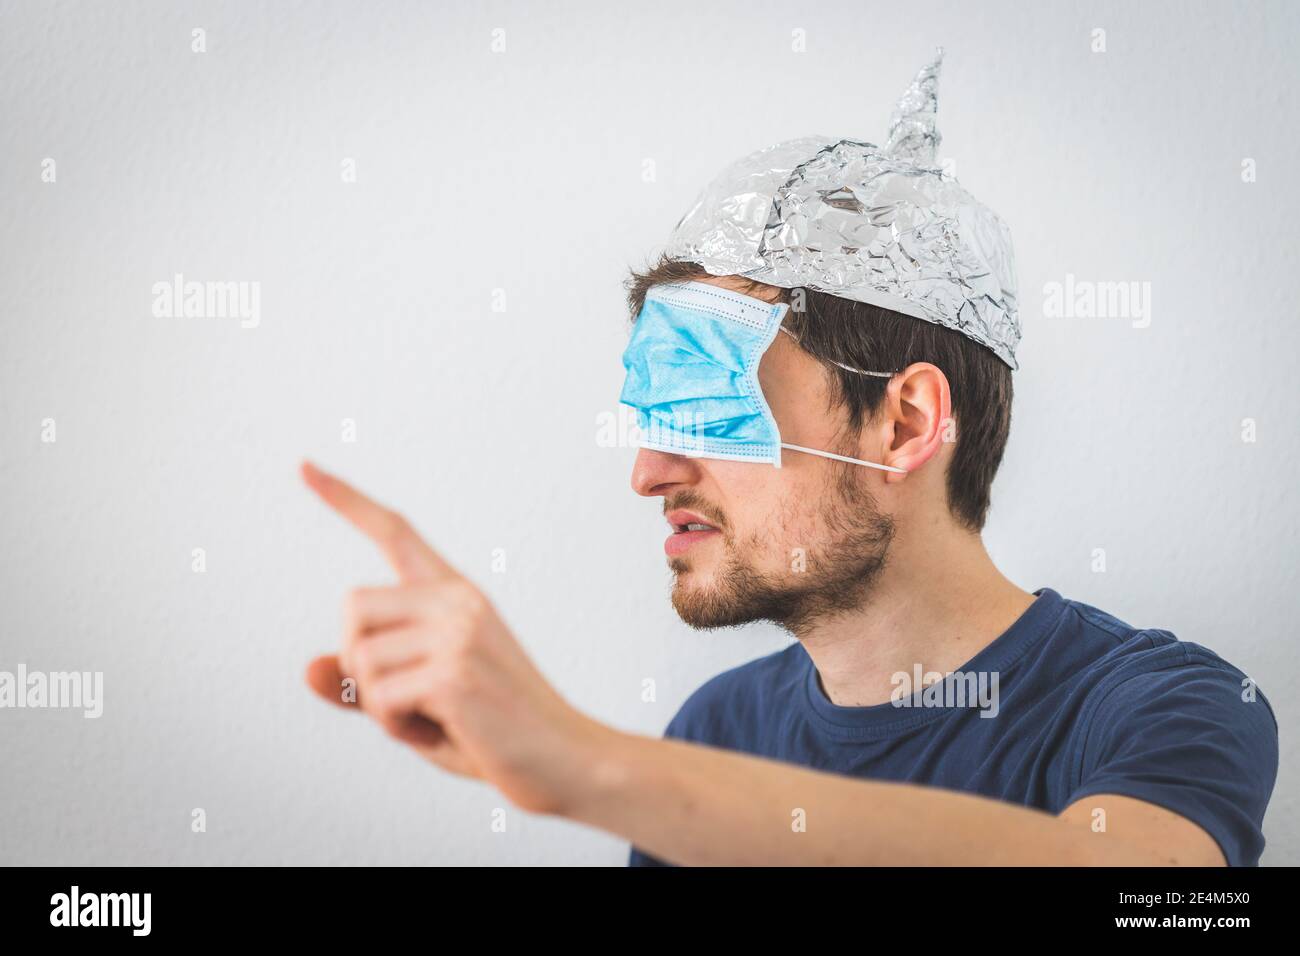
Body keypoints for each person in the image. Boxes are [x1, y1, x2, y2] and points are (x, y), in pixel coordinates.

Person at [301, 51, 1278, 866]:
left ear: (902, 425)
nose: (646, 473)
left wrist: (588, 765)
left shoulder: (1159, 707)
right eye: (651, 409)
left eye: (706, 404)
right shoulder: (718, 731)